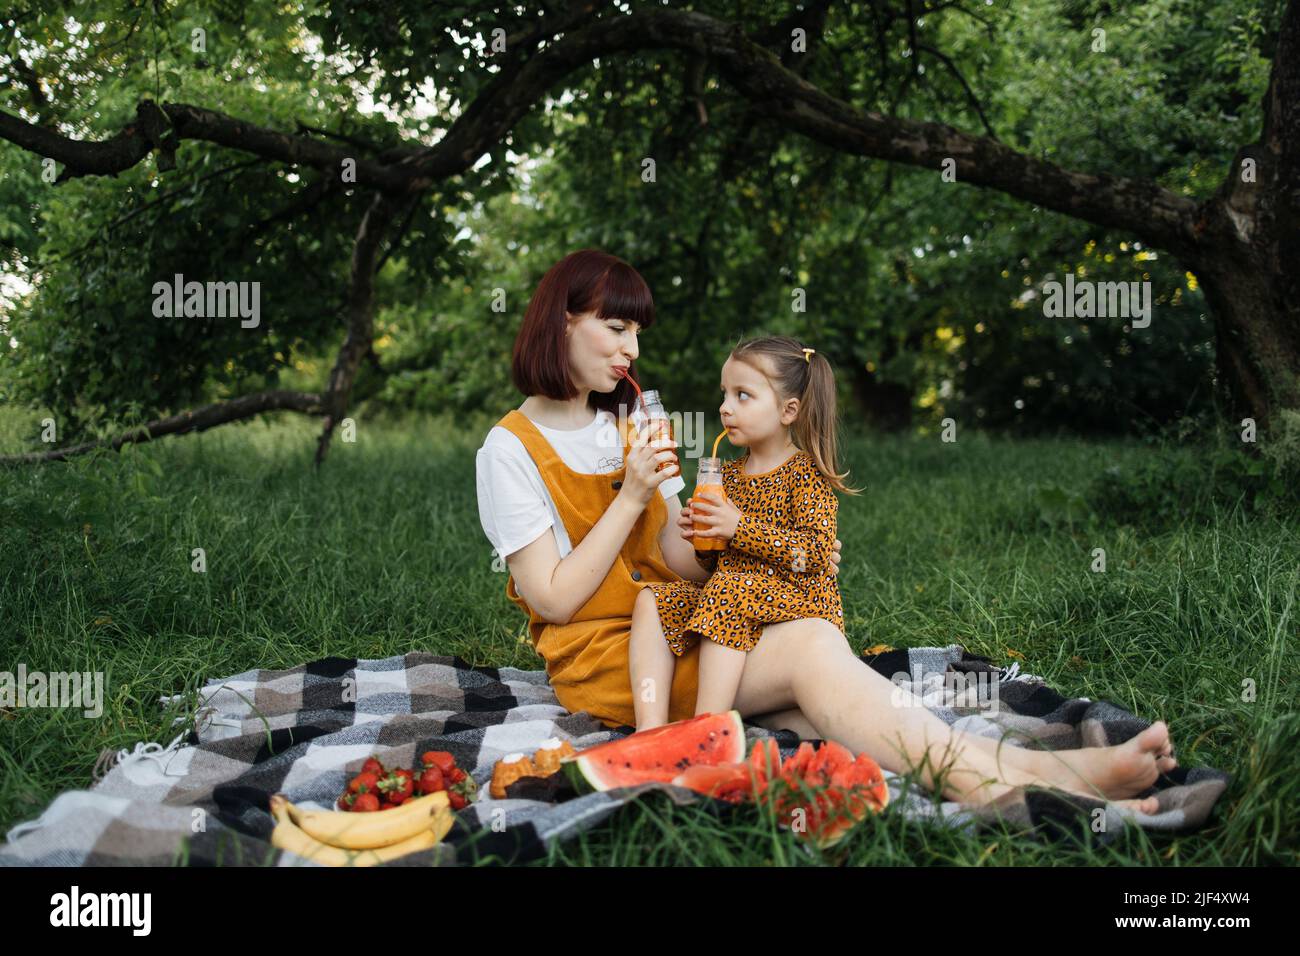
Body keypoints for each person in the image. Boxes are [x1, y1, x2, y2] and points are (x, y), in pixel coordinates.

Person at [476, 248, 1177, 811]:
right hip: (612, 661)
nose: (632, 348)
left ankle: (1036, 778)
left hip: (685, 624)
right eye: (617, 327)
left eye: (637, 333)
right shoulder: (508, 450)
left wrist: (757, 541)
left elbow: (677, 563)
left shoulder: (628, 423)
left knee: (831, 713)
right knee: (816, 650)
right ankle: (1019, 784)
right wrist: (630, 497)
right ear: (563, 322)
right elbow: (554, 601)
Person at [629, 336, 855, 731]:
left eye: (742, 396)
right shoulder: (727, 475)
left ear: (788, 411)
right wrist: (702, 540)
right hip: (739, 598)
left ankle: (708, 727)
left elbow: (815, 553)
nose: (724, 407)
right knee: (656, 598)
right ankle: (649, 727)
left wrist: (739, 528)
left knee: (730, 587)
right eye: (724, 394)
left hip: (799, 601)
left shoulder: (805, 476)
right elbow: (721, 563)